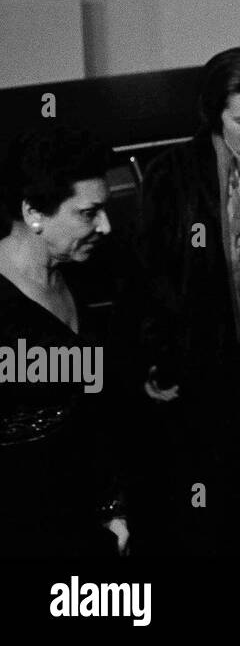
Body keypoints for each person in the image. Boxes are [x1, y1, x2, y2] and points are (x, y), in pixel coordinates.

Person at [135, 47, 240, 555]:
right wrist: (157, 354)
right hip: (215, 353)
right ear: (214, 113)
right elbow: (153, 274)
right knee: (226, 483)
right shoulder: (175, 173)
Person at [0, 126, 125, 557]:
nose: (105, 226)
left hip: (85, 527)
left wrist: (112, 508)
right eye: (89, 213)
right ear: (33, 211)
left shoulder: (84, 275)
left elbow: (94, 409)